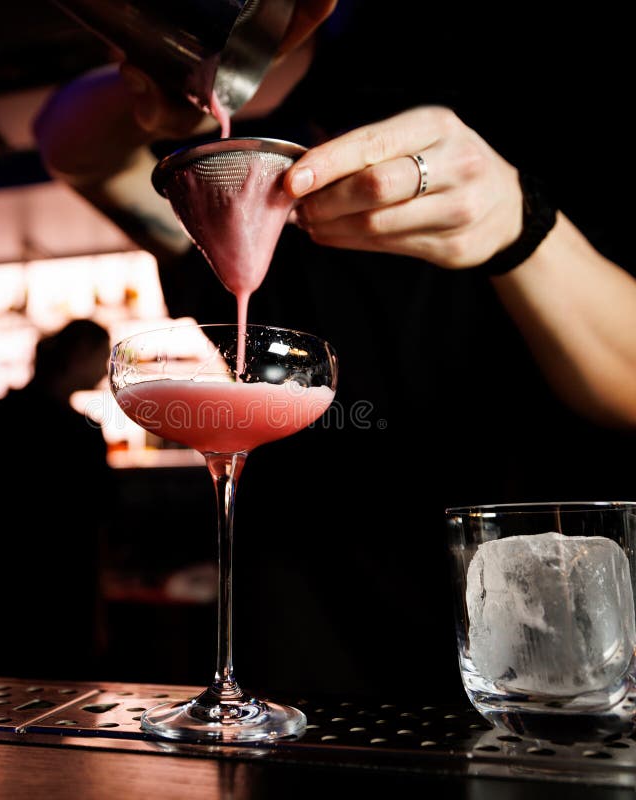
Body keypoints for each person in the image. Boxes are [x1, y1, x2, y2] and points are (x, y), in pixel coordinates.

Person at [32, 2, 636, 701]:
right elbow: (65, 140)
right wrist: (185, 67)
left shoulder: (567, 133)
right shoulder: (249, 210)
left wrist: (521, 222)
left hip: (530, 650)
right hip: (297, 670)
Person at [0, 319, 116, 681]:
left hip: (2, 589)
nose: (104, 372)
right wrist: (98, 615)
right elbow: (95, 528)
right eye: (103, 358)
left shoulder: (0, 417)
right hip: (64, 596)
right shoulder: (82, 431)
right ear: (80, 355)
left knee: (1, 697)